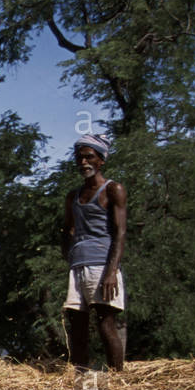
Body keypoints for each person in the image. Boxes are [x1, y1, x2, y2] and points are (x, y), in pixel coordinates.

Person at [62, 133, 127, 373]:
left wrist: (111, 272)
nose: (83, 162)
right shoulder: (73, 196)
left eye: (89, 157)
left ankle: (117, 381)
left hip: (102, 264)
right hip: (78, 265)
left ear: (101, 160)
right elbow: (67, 227)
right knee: (77, 326)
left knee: (105, 325)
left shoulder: (113, 189)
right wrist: (68, 253)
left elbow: (120, 233)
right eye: (79, 158)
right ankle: (81, 380)